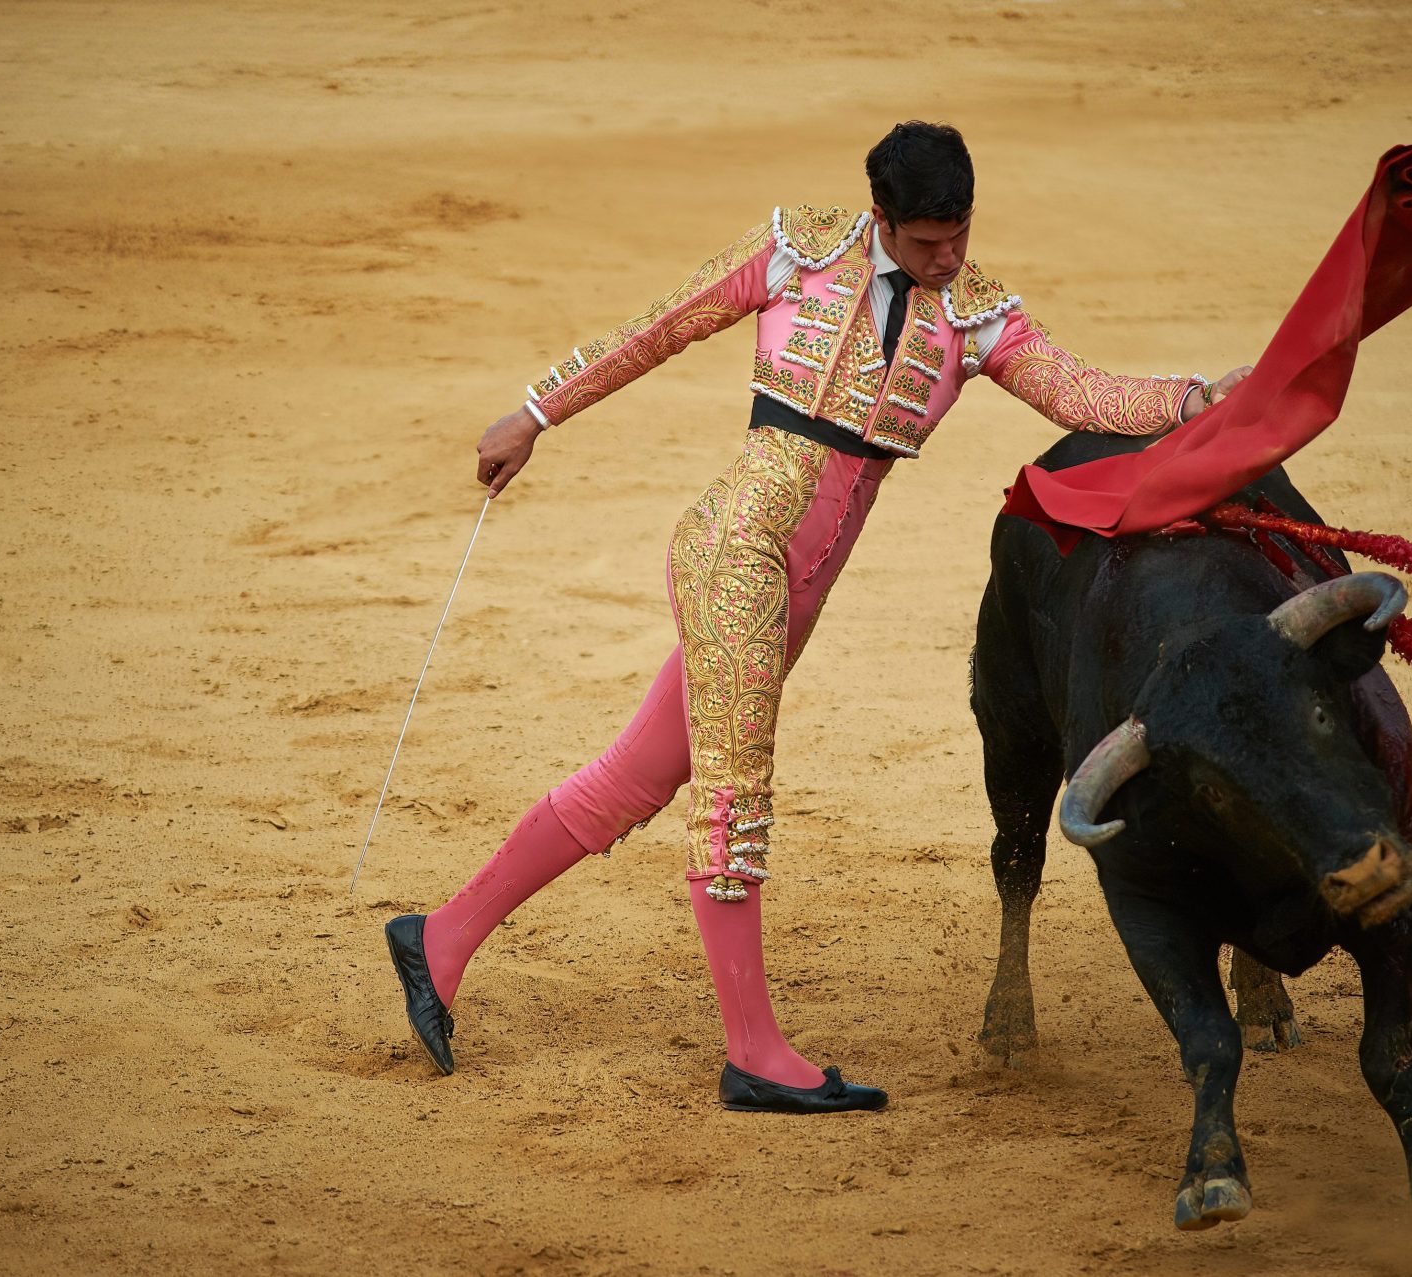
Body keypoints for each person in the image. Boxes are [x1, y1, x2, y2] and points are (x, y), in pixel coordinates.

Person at [386, 121, 1250, 1113]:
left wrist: (1193, 398)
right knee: (734, 794)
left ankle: (438, 939)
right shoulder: (797, 251)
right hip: (737, 551)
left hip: (796, 591)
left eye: (960, 235)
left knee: (635, 777)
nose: (948, 258)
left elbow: (1077, 390)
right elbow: (660, 327)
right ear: (881, 217)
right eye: (927, 242)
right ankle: (753, 1051)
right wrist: (535, 413)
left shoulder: (972, 312)